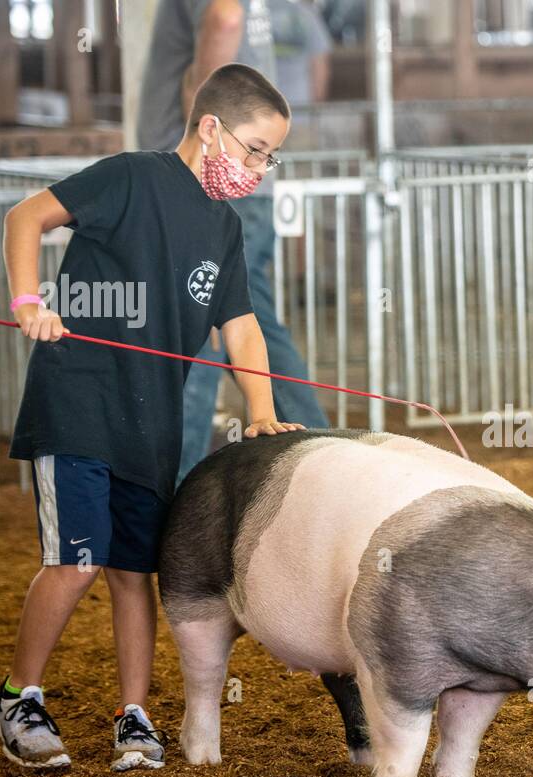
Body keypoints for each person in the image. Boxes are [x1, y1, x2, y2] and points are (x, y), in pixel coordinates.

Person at [0, 64, 304, 771]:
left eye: (271, 156)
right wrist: (28, 303)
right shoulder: (130, 176)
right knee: (76, 561)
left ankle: (133, 716)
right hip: (78, 399)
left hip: (151, 419)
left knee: (134, 571)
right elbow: (25, 216)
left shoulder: (223, 227)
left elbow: (243, 327)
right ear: (211, 128)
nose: (260, 167)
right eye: (255, 149)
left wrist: (261, 411)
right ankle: (17, 696)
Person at [138, 0, 331, 486]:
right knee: (248, 318)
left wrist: (206, 137)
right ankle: (325, 459)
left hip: (212, 181)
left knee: (194, 331)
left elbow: (224, 16)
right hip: (249, 189)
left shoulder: (207, 146)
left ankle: (171, 488)